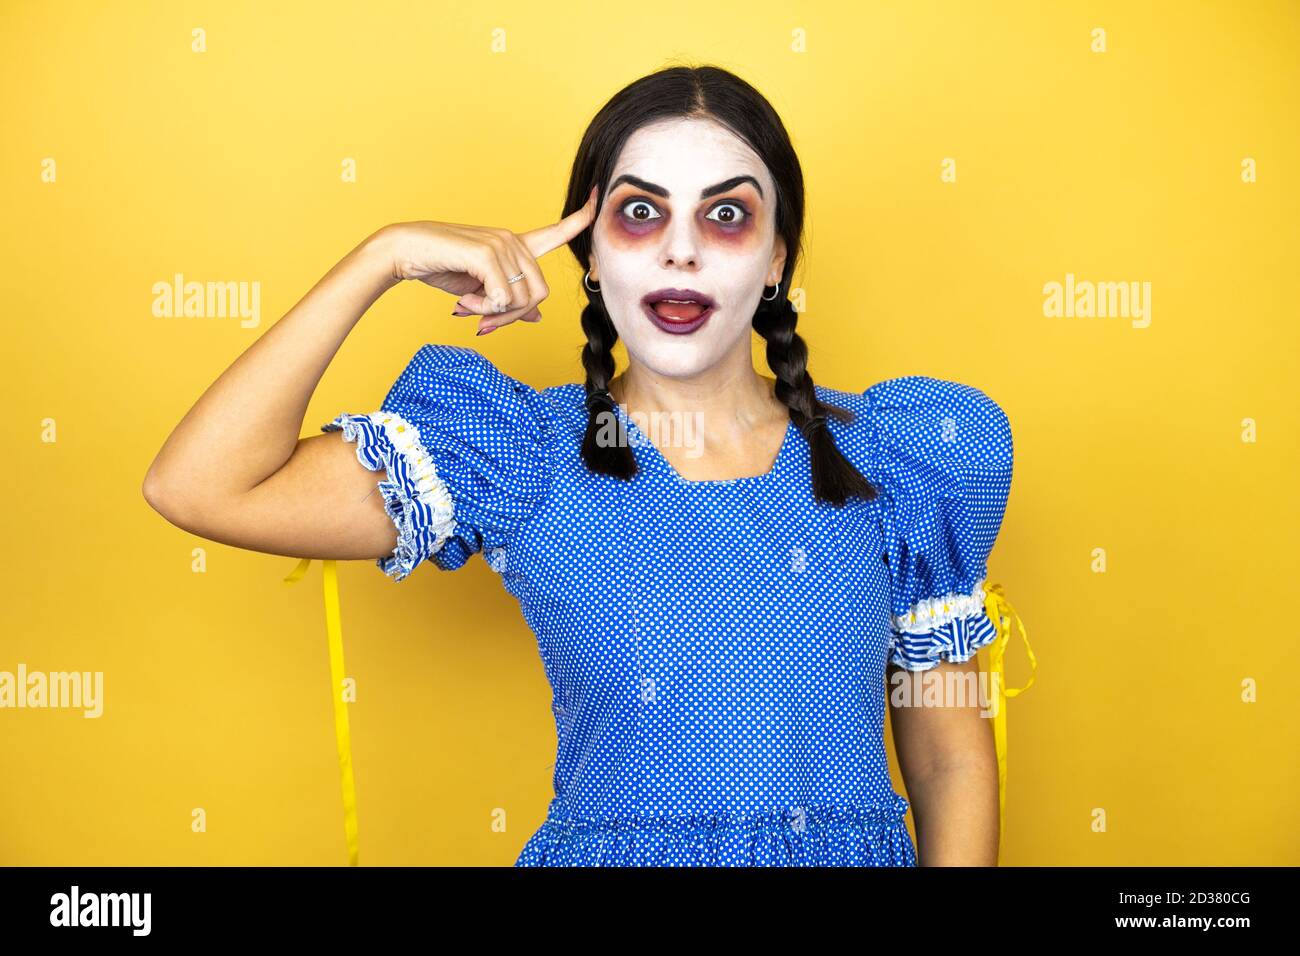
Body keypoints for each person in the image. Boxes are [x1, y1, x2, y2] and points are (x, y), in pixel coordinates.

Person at [143, 64, 1014, 866]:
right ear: (589, 258)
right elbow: (199, 487)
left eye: (726, 214)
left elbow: (948, 765)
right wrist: (386, 255)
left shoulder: (895, 458)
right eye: (640, 213)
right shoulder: (516, 452)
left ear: (777, 255)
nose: (681, 250)